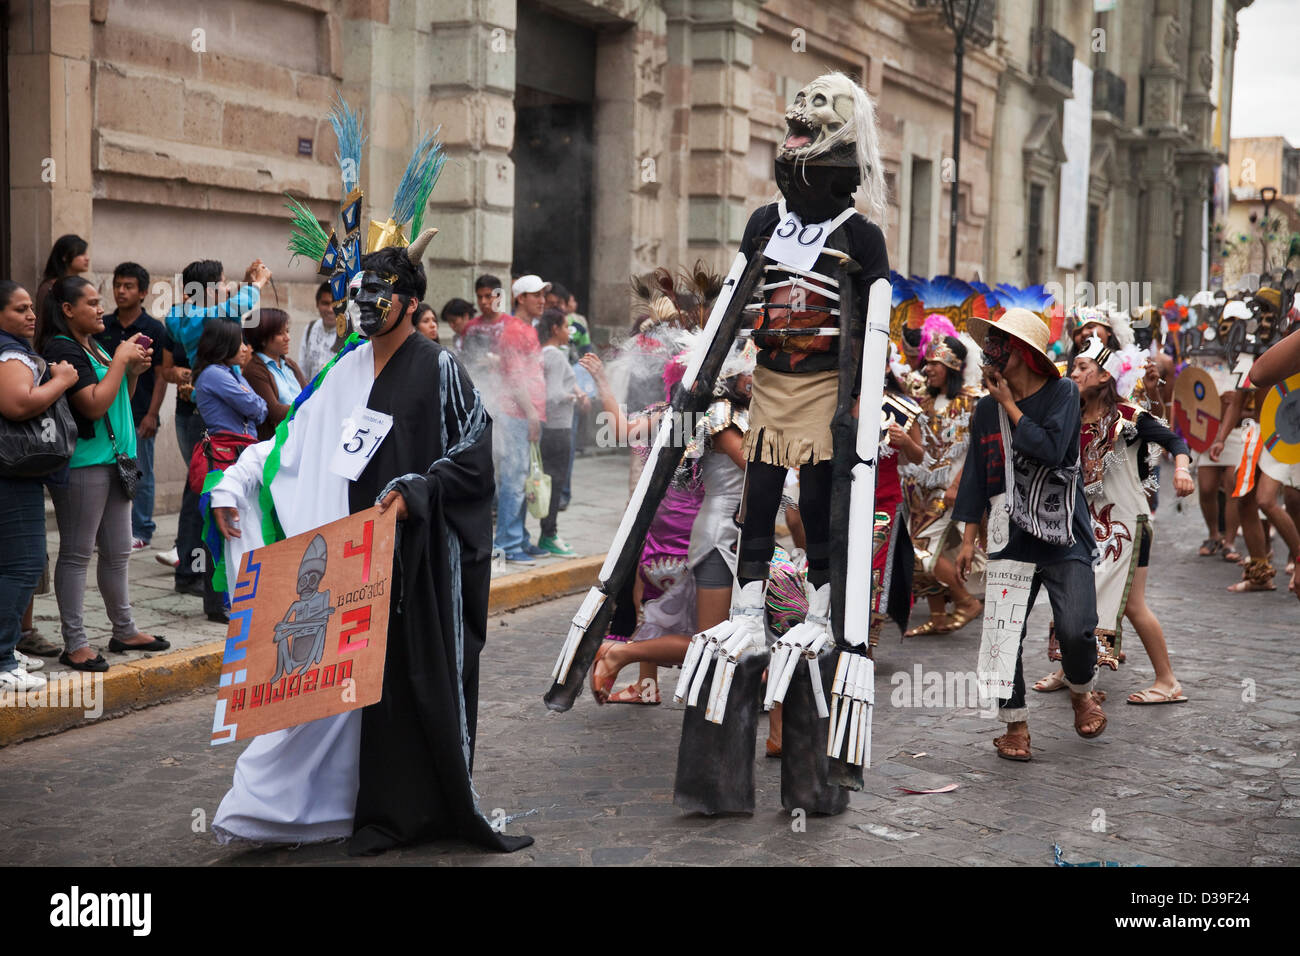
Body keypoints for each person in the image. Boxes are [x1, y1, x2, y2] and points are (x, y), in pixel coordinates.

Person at [208, 242, 529, 854]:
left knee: (423, 679)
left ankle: (436, 809)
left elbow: (473, 454)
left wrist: (419, 490)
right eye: (359, 293)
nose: (365, 305)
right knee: (370, 685)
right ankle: (383, 813)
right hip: (357, 560)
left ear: (409, 302)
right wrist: (235, 483)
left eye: (379, 293)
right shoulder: (346, 371)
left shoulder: (438, 367)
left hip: (423, 559)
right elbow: (291, 441)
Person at [954, 307, 1104, 761]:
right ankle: (1015, 725)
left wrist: (1009, 407)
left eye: (999, 346)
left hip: (1064, 530)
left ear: (1020, 354)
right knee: (1003, 634)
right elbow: (977, 473)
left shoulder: (1061, 393)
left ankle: (1080, 691)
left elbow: (1054, 450)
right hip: (1007, 536)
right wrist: (966, 537)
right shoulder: (984, 410)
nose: (990, 354)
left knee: (1078, 630)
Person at [1032, 334, 1195, 704]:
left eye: (1082, 367)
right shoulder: (1069, 417)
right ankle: (1072, 671)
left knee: (1133, 605)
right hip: (1085, 525)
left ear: (1105, 376)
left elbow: (1175, 442)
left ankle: (1168, 682)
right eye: (1073, 366)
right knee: (1073, 595)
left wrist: (1182, 470)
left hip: (1128, 526)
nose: (1074, 372)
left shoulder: (1128, 417)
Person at [38, 276, 170, 672]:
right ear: (67, 310)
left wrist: (130, 372)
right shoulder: (61, 348)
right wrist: (119, 361)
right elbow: (93, 406)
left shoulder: (91, 344)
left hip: (116, 460)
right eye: (92, 303)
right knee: (77, 553)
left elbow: (119, 401)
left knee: (117, 551)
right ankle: (75, 643)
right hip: (84, 463)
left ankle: (124, 629)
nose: (101, 309)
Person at [164, 258, 270, 619]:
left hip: (214, 423)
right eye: (223, 284)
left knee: (205, 500)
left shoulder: (206, 325)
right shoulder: (191, 319)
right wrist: (254, 286)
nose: (229, 289)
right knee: (207, 502)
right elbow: (257, 407)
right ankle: (195, 575)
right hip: (213, 430)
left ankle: (201, 575)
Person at [0, 281, 80, 690]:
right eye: (19, 309)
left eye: (31, 307)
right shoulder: (9, 353)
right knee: (24, 563)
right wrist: (62, 379)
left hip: (14, 473)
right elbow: (17, 404)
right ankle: (1, 663)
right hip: (11, 474)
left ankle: (7, 647)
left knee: (15, 563)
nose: (31, 315)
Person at [902, 318, 985, 636]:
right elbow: (920, 450)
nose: (928, 370)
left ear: (951, 367)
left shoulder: (971, 403)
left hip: (950, 490)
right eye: (928, 364)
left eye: (935, 365)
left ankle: (966, 601)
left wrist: (956, 484)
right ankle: (937, 617)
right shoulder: (922, 402)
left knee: (921, 552)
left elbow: (975, 451)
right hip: (920, 490)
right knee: (922, 555)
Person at [462, 274, 548, 562]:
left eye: (543, 295)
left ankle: (520, 538)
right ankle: (508, 544)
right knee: (514, 479)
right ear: (521, 297)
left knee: (524, 478)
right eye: (536, 295)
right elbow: (514, 377)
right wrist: (533, 414)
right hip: (516, 413)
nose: (542, 300)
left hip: (527, 413)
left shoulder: (525, 328)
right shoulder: (514, 331)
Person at [96, 262, 169, 550]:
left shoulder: (154, 328)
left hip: (140, 414)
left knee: (141, 473)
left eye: (128, 286)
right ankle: (111, 531)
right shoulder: (104, 327)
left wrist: (152, 414)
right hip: (108, 413)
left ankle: (141, 530)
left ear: (143, 293)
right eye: (117, 285)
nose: (121, 291)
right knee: (109, 474)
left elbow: (162, 374)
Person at [536, 308, 583, 556]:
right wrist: (575, 397)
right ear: (555, 329)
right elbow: (553, 395)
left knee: (552, 481)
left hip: (551, 426)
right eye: (566, 327)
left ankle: (548, 533)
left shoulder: (547, 353)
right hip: (557, 426)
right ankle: (549, 534)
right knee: (555, 482)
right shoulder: (553, 354)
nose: (568, 332)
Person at [193, 321, 267, 441]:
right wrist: (250, 397)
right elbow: (254, 407)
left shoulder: (232, 374)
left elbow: (262, 413)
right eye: (239, 343)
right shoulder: (214, 374)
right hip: (229, 451)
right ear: (224, 345)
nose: (245, 349)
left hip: (241, 446)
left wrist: (250, 399)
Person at [241, 307, 306, 441]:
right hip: (277, 442)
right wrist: (308, 407)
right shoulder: (254, 370)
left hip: (302, 433)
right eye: (280, 334)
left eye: (287, 331)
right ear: (263, 339)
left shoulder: (290, 364)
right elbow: (274, 411)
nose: (287, 338)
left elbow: (309, 393)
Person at [34, 234, 90, 337]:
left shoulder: (84, 286)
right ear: (65, 256)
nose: (87, 258)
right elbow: (41, 325)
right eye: (81, 254)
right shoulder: (49, 287)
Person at [297, 281, 346, 383]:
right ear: (317, 304)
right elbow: (303, 370)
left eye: (335, 304)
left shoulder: (351, 332)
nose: (330, 309)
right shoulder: (310, 329)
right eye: (325, 303)